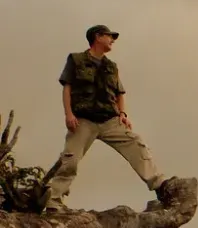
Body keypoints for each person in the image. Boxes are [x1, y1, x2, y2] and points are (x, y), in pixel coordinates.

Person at [43, 24, 173, 212]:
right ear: (97, 37)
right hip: (83, 120)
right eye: (109, 36)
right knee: (70, 159)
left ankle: (160, 184)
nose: (112, 40)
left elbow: (119, 93)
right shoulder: (76, 59)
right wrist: (68, 114)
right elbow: (67, 87)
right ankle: (53, 201)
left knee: (136, 143)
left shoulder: (111, 67)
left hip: (109, 120)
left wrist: (123, 114)